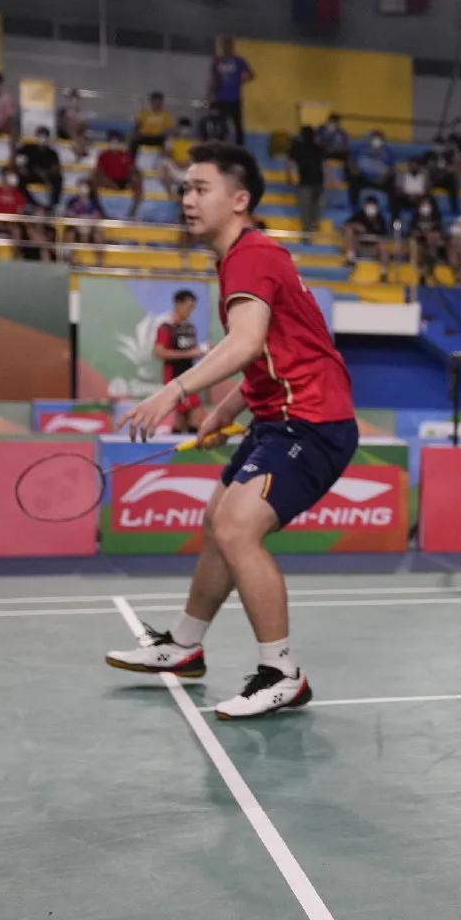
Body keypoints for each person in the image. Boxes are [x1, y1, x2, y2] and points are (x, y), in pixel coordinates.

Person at [108, 141, 358, 720]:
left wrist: (176, 390)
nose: (188, 200)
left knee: (237, 528)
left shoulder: (250, 255)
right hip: (280, 415)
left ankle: (282, 673)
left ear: (239, 199)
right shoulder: (246, 257)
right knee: (216, 521)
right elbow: (277, 353)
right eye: (185, 190)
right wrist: (226, 410)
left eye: (201, 189)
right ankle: (184, 645)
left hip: (313, 422)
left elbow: (246, 343)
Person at [154, 289, 208, 433]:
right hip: (175, 378)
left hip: (190, 377)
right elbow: (159, 352)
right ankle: (185, 451)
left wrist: (204, 350)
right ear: (178, 304)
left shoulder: (190, 328)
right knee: (195, 415)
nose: (190, 311)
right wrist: (189, 353)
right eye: (188, 307)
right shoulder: (166, 327)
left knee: (186, 419)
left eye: (193, 308)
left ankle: (182, 450)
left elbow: (192, 350)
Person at [207, 35, 254, 144]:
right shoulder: (217, 60)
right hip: (220, 98)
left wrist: (242, 79)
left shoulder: (239, 60)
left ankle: (239, 147)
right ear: (222, 47)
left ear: (232, 46)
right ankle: (219, 144)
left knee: (237, 125)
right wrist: (210, 95)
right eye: (224, 45)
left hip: (234, 98)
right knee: (219, 124)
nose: (226, 47)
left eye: (229, 45)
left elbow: (251, 75)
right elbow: (213, 79)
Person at [93, 131, 144, 218]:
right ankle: (99, 210)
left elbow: (133, 169)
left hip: (124, 181)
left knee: (138, 181)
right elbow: (99, 171)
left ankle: (133, 211)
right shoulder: (103, 155)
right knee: (93, 181)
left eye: (116, 142)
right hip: (108, 181)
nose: (114, 144)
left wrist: (135, 176)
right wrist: (108, 182)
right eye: (112, 142)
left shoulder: (126, 155)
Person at [341, 198, 393, 281]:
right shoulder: (358, 215)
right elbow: (345, 227)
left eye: (373, 206)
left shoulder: (381, 219)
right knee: (349, 230)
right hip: (359, 247)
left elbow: (385, 237)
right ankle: (350, 259)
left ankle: (383, 273)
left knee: (384, 246)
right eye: (369, 205)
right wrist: (355, 226)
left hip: (373, 249)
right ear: (365, 206)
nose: (371, 208)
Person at [287, 125, 325, 236]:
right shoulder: (317, 147)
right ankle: (311, 227)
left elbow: (288, 162)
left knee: (305, 207)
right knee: (315, 207)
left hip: (306, 183)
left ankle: (307, 231)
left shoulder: (298, 147)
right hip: (318, 182)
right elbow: (325, 165)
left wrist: (289, 177)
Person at [349, 131, 398, 217]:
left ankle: (393, 216)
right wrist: (354, 170)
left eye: (379, 138)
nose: (376, 140)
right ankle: (354, 208)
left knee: (393, 189)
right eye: (375, 138)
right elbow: (351, 160)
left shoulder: (388, 151)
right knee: (353, 182)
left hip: (381, 180)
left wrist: (383, 178)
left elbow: (392, 169)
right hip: (363, 178)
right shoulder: (361, 148)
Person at [14, 126, 63, 210]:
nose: (42, 138)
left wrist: (46, 173)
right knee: (19, 179)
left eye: (44, 136)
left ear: (48, 138)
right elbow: (19, 159)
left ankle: (53, 205)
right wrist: (22, 169)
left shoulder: (52, 153)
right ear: (36, 136)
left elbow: (56, 169)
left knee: (58, 179)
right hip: (30, 174)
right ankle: (29, 202)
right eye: (40, 135)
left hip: (45, 175)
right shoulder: (27, 148)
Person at [62, 182, 106, 266]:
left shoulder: (94, 202)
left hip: (91, 228)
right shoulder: (72, 201)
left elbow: (100, 215)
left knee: (98, 235)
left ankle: (100, 261)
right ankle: (69, 260)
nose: (83, 189)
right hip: (76, 228)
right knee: (69, 234)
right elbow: (67, 215)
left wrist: (92, 219)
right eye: (81, 187)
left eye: (85, 187)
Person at [408, 197, 445, 285]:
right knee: (420, 249)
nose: (425, 207)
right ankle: (424, 273)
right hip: (420, 242)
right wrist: (421, 235)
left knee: (432, 245)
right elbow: (411, 232)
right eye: (423, 205)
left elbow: (438, 232)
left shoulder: (436, 217)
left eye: (427, 205)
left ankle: (427, 272)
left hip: (432, 244)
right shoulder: (415, 217)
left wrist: (431, 236)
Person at [423, 136, 460, 213]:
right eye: (436, 145)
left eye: (441, 146)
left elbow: (454, 168)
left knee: (452, 182)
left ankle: (454, 207)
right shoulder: (428, 155)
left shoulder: (448, 156)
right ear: (432, 146)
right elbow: (422, 167)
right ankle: (428, 207)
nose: (438, 148)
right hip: (432, 179)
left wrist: (447, 168)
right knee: (426, 182)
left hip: (444, 179)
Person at [131, 91, 174, 156]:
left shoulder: (166, 115)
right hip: (145, 137)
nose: (157, 104)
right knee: (133, 142)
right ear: (151, 102)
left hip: (158, 138)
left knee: (169, 142)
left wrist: (165, 133)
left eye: (159, 102)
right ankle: (133, 161)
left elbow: (169, 129)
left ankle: (164, 160)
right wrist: (137, 133)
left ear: (162, 103)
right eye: (155, 102)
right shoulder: (144, 113)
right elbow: (137, 126)